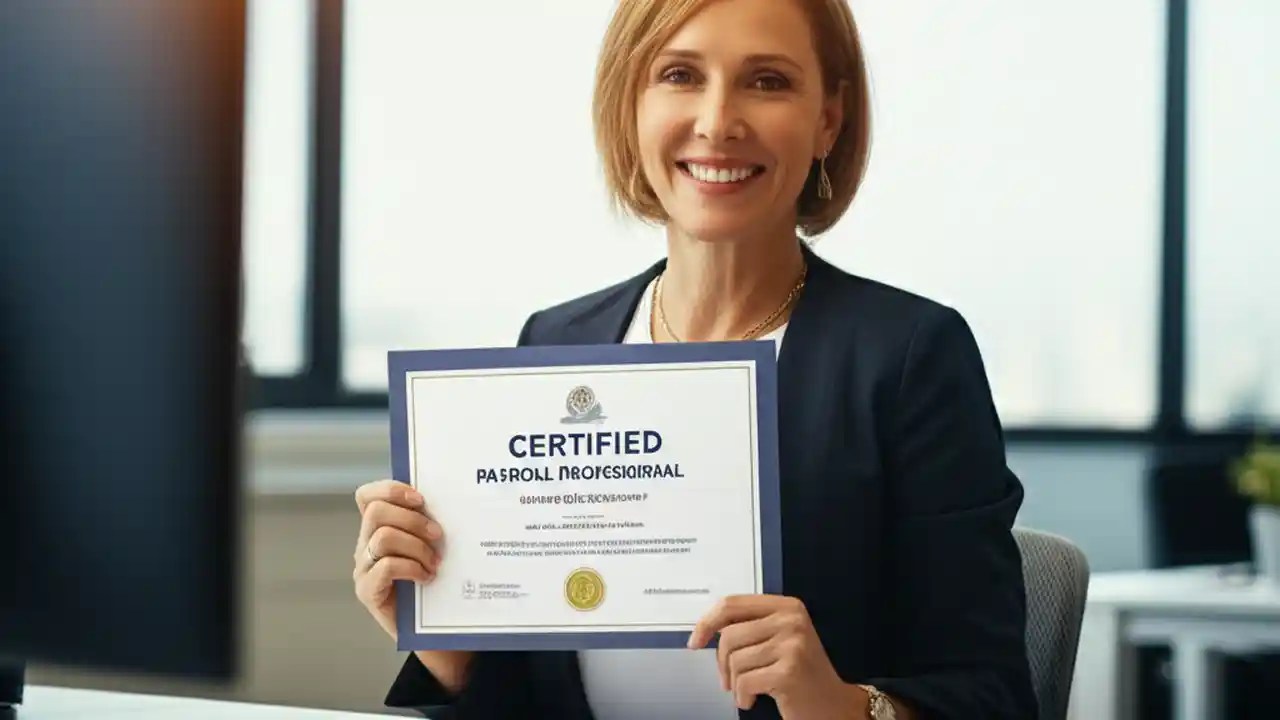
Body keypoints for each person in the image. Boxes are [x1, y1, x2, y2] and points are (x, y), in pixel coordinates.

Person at [351, 0, 1038, 717]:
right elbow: (531, 698)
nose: (718, 122)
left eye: (767, 81)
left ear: (827, 121)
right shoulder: (553, 345)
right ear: (631, 107)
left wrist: (836, 704)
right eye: (680, 74)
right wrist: (448, 646)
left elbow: (994, 696)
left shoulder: (908, 359)